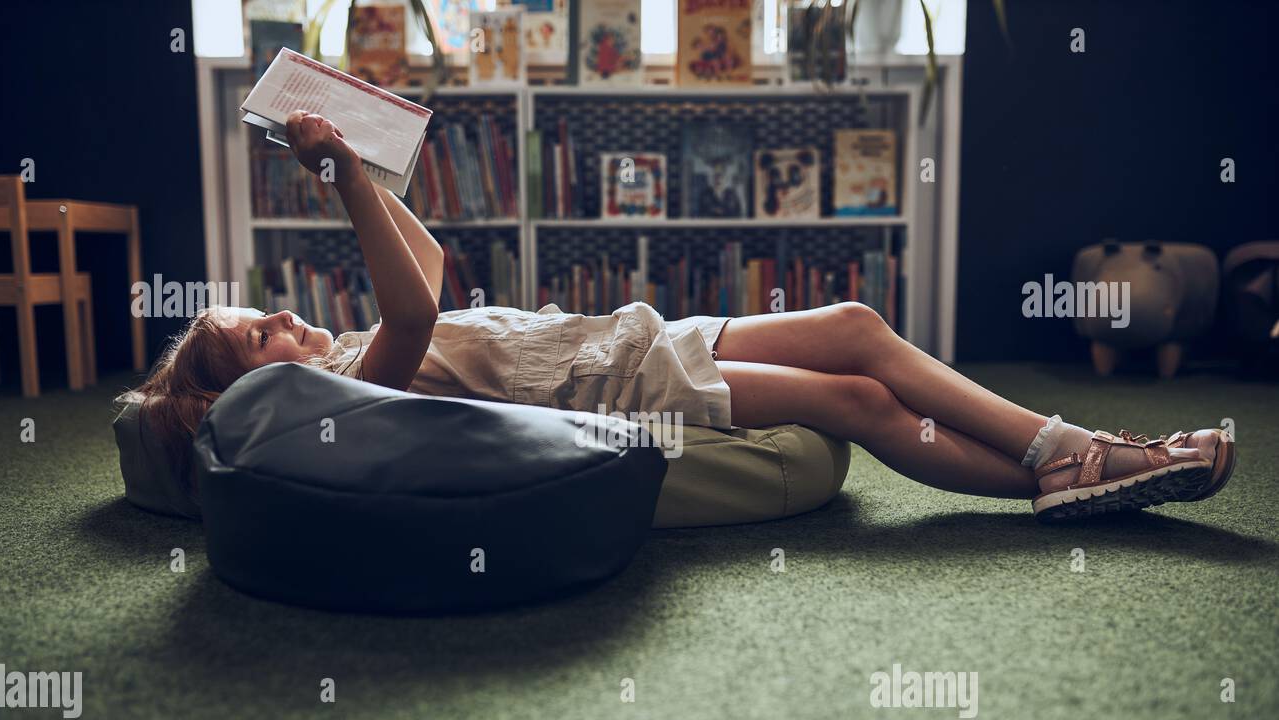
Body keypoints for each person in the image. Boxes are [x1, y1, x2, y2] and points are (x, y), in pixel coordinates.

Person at [123, 111, 1235, 522]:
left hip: (640, 336)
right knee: (854, 400)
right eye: (255, 333)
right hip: (624, 391)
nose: (279, 316)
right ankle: (1078, 467)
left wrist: (361, 157)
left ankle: (1068, 456)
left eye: (261, 310)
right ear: (255, 390)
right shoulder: (349, 394)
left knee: (853, 319)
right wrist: (342, 183)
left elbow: (433, 259)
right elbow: (413, 300)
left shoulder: (356, 355)